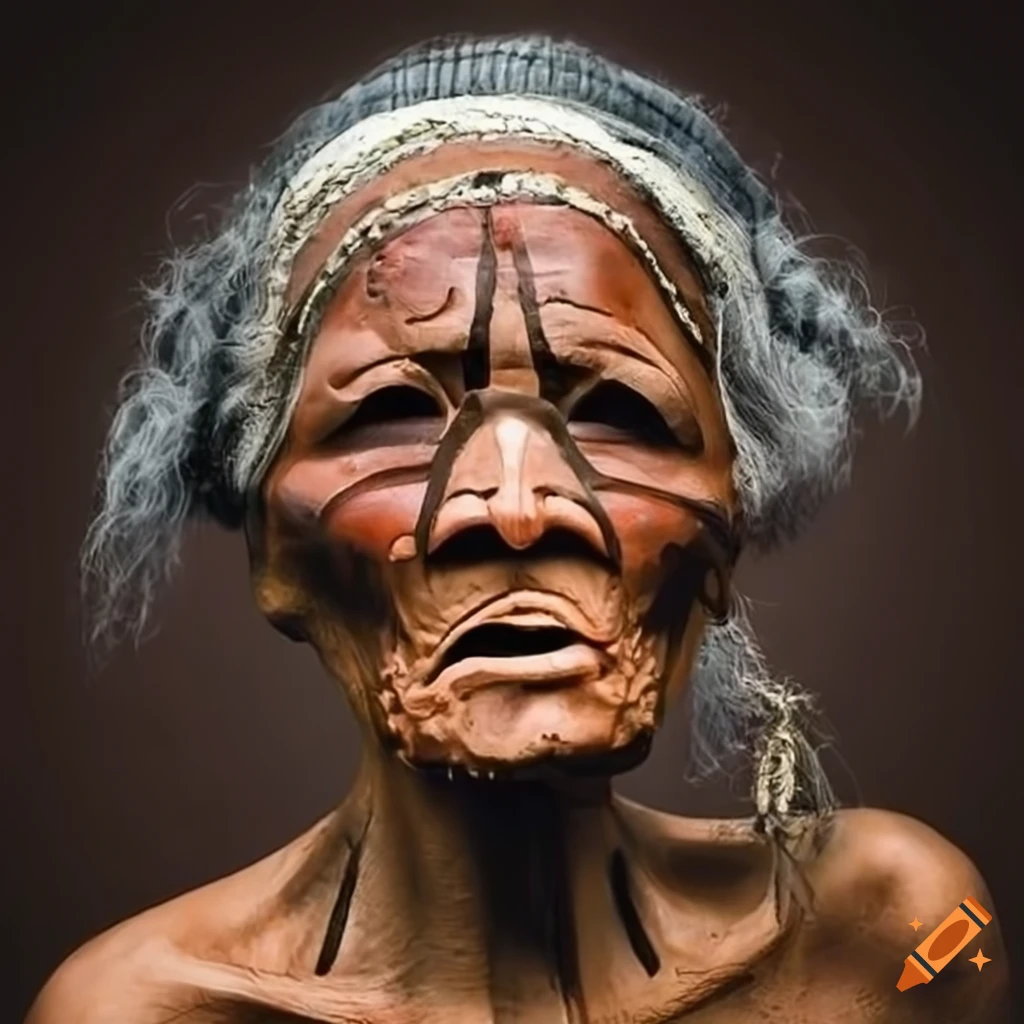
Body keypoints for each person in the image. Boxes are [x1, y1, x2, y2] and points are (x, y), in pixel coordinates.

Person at [27, 34, 1011, 1024]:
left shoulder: (892, 942)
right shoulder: (138, 1013)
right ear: (273, 545)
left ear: (730, 514)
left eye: (620, 412)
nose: (512, 507)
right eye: (390, 415)